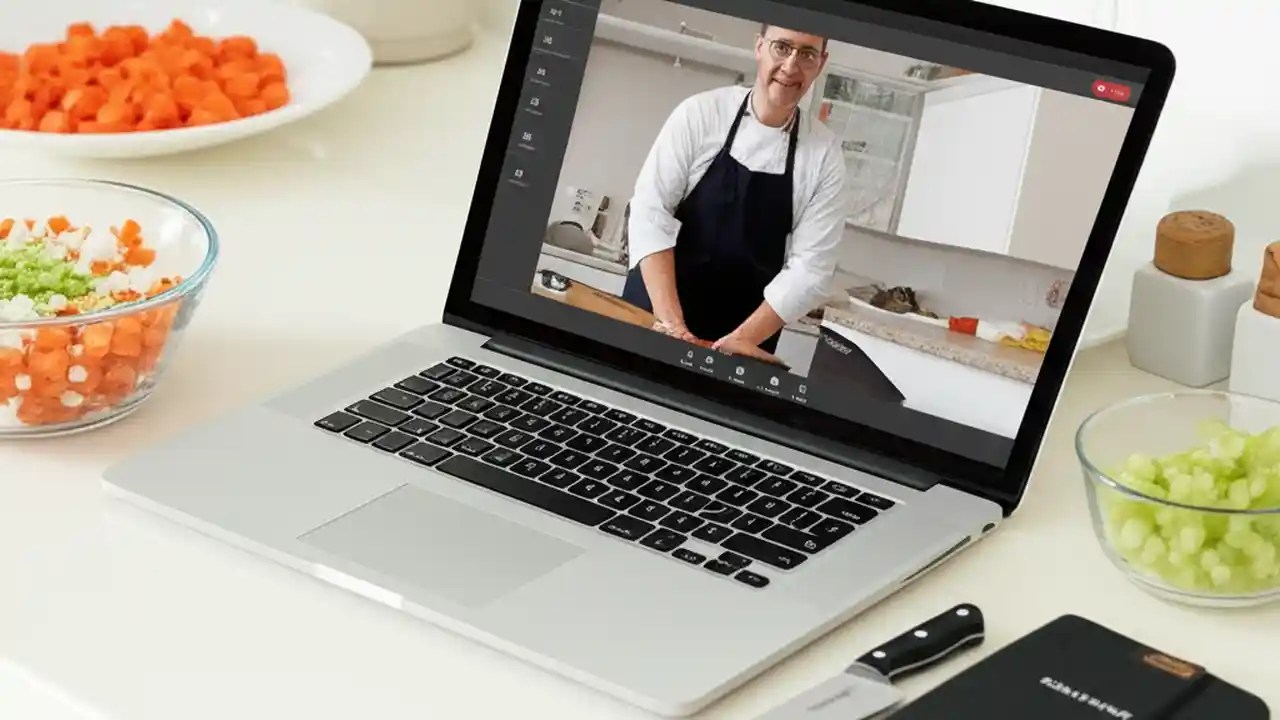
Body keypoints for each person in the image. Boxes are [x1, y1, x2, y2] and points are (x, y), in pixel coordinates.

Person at [622, 23, 847, 363]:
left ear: (821, 63)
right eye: (782, 47)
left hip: (743, 333)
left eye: (807, 53)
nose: (790, 66)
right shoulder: (699, 114)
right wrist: (672, 325)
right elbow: (650, 214)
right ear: (759, 47)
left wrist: (739, 340)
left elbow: (811, 269)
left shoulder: (825, 155)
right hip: (657, 313)